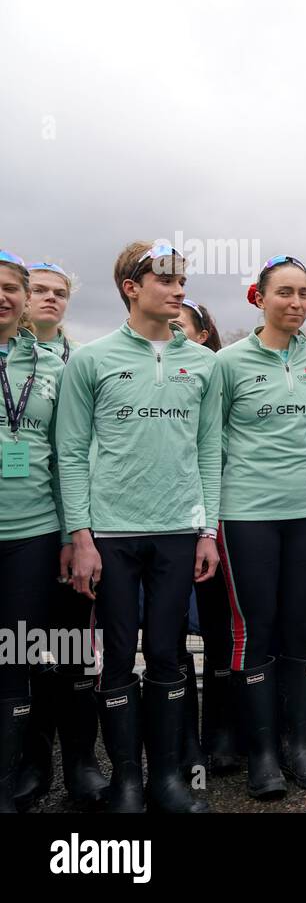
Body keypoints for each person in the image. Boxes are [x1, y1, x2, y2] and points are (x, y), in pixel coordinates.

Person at [56, 241, 220, 813]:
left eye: (183, 281)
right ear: (132, 286)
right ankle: (127, 782)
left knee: (171, 654)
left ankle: (168, 780)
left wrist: (207, 531)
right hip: (112, 534)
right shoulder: (92, 359)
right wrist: (81, 537)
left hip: (179, 530)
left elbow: (209, 449)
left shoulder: (203, 364)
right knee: (120, 657)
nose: (179, 290)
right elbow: (72, 451)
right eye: (167, 280)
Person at [215, 259, 306, 798]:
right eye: (284, 292)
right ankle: (262, 755)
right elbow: (211, 439)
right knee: (255, 630)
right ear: (259, 298)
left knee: (301, 628)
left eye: (304, 293)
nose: (296, 302)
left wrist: (296, 481)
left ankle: (298, 748)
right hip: (246, 516)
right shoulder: (227, 363)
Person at [6, 258, 109, 811]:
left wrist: (80, 529)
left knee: (70, 647)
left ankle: (82, 761)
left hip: (70, 525)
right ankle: (31, 760)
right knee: (24, 649)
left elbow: (78, 453)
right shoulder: (14, 357)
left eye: (59, 292)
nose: (49, 299)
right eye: (39, 290)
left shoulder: (79, 360)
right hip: (26, 527)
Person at [0, 251, 79, 812]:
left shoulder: (53, 366)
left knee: (17, 655)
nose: (3, 296)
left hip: (33, 532)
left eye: (11, 287)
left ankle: (12, 782)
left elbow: (69, 455)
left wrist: (75, 534)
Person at [172, 299, 238, 778]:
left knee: (219, 632)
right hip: (162, 522)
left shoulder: (214, 373)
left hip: (214, 523)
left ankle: (220, 735)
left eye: (181, 325)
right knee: (167, 636)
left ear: (201, 334)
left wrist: (210, 524)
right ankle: (182, 743)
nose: (172, 332)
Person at [22, 263, 75, 363]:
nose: (51, 297)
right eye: (38, 290)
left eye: (60, 294)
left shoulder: (81, 355)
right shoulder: (5, 348)